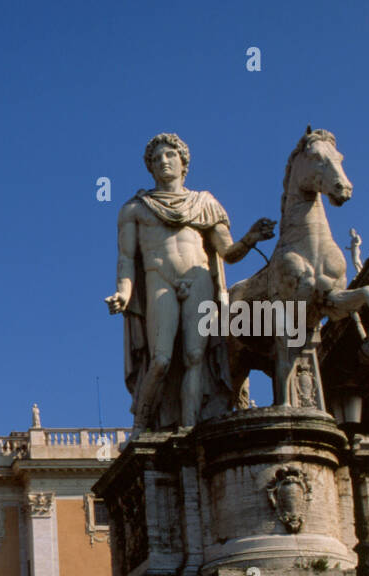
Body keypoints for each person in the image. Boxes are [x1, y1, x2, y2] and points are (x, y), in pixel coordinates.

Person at [105, 132, 275, 431]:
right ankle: (141, 424)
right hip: (159, 280)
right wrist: (123, 291)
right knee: (160, 360)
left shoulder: (205, 203)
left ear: (184, 163)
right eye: (156, 159)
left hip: (198, 279)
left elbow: (228, 253)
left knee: (196, 355)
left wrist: (250, 238)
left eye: (170, 155)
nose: (163, 162)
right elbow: (126, 258)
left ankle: (189, 428)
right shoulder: (135, 208)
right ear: (150, 167)